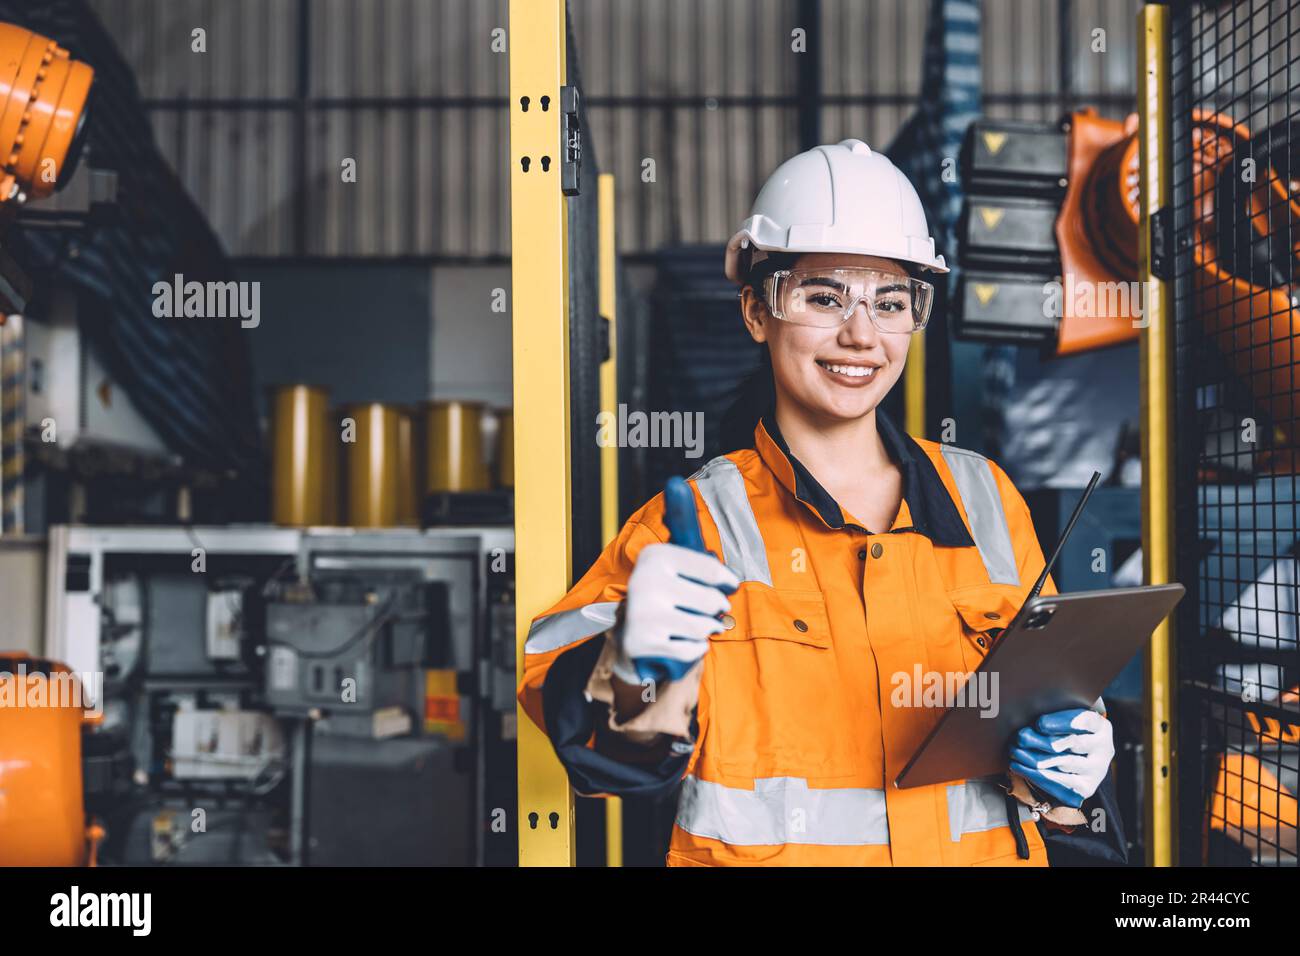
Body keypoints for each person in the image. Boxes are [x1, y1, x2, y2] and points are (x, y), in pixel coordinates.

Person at [518, 139, 1124, 866]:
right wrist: (629, 665)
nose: (861, 334)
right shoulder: (694, 528)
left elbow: (1042, 702)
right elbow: (601, 748)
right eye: (824, 297)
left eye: (891, 302)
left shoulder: (985, 497)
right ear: (756, 312)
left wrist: (1069, 779)